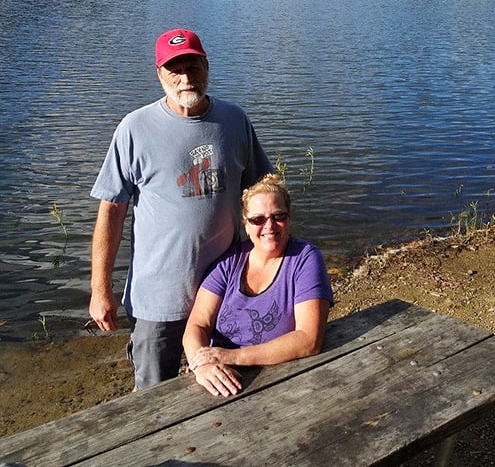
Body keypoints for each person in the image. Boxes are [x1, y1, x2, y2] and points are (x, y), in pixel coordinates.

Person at [89, 28, 273, 391]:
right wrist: (100, 290)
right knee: (153, 398)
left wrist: (275, 267)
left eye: (193, 66)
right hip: (160, 300)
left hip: (226, 290)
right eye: (174, 69)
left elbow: (262, 193)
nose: (186, 77)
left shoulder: (234, 121)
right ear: (159, 74)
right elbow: (111, 211)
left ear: (207, 67)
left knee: (232, 386)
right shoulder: (134, 129)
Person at [183, 173, 333, 398]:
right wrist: (202, 365)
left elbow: (308, 340)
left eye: (278, 216)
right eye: (258, 219)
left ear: (289, 218)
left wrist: (232, 356)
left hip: (281, 380)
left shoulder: (305, 259)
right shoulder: (229, 262)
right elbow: (197, 325)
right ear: (245, 223)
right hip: (219, 378)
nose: (269, 226)